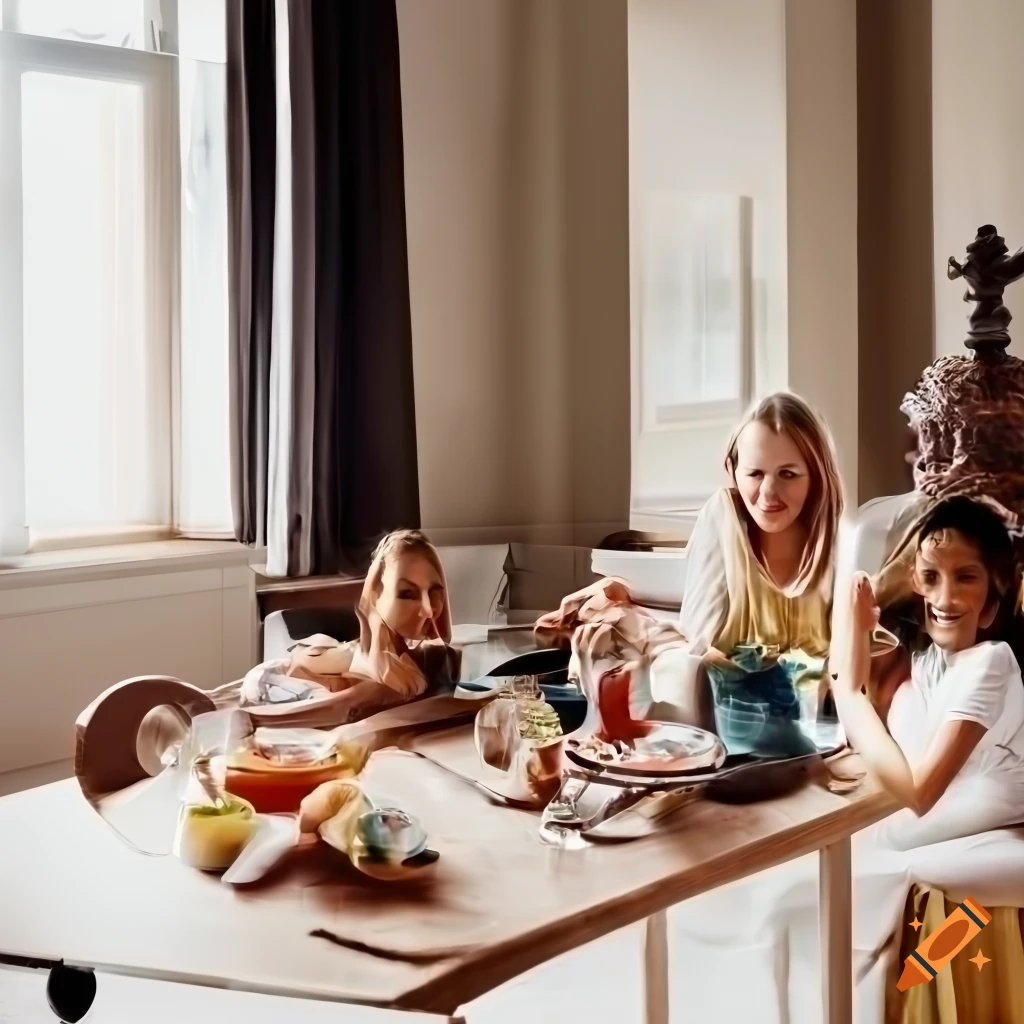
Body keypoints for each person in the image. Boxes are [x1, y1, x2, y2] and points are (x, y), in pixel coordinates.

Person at [671, 496, 1024, 1024]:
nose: (946, 597)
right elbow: (850, 686)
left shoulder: (989, 663)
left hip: (980, 835)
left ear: (992, 602)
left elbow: (919, 791)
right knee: (778, 883)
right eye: (931, 576)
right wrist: (855, 624)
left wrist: (854, 694)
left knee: (806, 892)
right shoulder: (930, 663)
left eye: (966, 578)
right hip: (937, 826)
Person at [536, 391, 844, 745]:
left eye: (788, 474)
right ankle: (614, 619)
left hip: (776, 715)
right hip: (714, 691)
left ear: (816, 476)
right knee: (672, 661)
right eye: (755, 474)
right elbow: (699, 640)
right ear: (735, 471)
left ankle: (618, 615)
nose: (769, 492)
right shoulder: (723, 516)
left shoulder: (836, 540)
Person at [211, 529, 461, 727]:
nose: (428, 609)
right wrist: (248, 722)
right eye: (407, 594)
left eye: (435, 593)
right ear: (377, 595)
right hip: (275, 685)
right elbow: (346, 709)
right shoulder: (388, 671)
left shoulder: (421, 660)